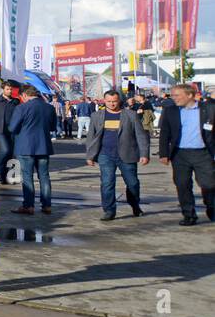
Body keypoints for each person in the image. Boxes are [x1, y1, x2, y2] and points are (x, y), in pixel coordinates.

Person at [85, 89, 150, 221]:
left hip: (127, 154)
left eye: (114, 101)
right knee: (107, 183)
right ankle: (109, 210)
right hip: (105, 155)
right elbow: (91, 137)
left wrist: (144, 153)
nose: (112, 104)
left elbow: (141, 136)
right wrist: (90, 155)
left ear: (119, 100)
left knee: (132, 183)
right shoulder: (96, 116)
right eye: (109, 101)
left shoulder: (131, 115)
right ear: (104, 101)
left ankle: (134, 205)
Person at [157, 83, 215, 226]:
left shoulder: (208, 109)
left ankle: (212, 208)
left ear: (189, 95)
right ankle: (189, 215)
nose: (174, 98)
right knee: (182, 185)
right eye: (173, 95)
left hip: (203, 153)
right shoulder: (170, 110)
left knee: (209, 184)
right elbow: (165, 133)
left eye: (177, 95)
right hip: (180, 154)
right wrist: (164, 153)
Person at [9, 84, 59, 215]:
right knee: (44, 176)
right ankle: (47, 205)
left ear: (24, 95)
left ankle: (28, 206)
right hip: (43, 147)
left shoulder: (21, 108)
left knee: (27, 177)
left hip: (25, 147)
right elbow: (53, 127)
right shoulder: (49, 108)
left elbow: (12, 128)